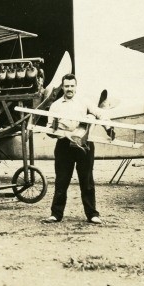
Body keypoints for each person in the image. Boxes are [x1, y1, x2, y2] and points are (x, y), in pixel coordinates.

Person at [43, 74, 104, 225]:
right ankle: (56, 214)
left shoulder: (84, 101)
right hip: (64, 145)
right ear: (62, 87)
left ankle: (92, 214)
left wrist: (102, 122)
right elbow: (49, 128)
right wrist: (54, 132)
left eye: (72, 86)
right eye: (66, 86)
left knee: (87, 179)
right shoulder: (55, 105)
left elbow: (100, 113)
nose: (69, 89)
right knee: (61, 180)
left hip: (84, 144)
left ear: (76, 86)